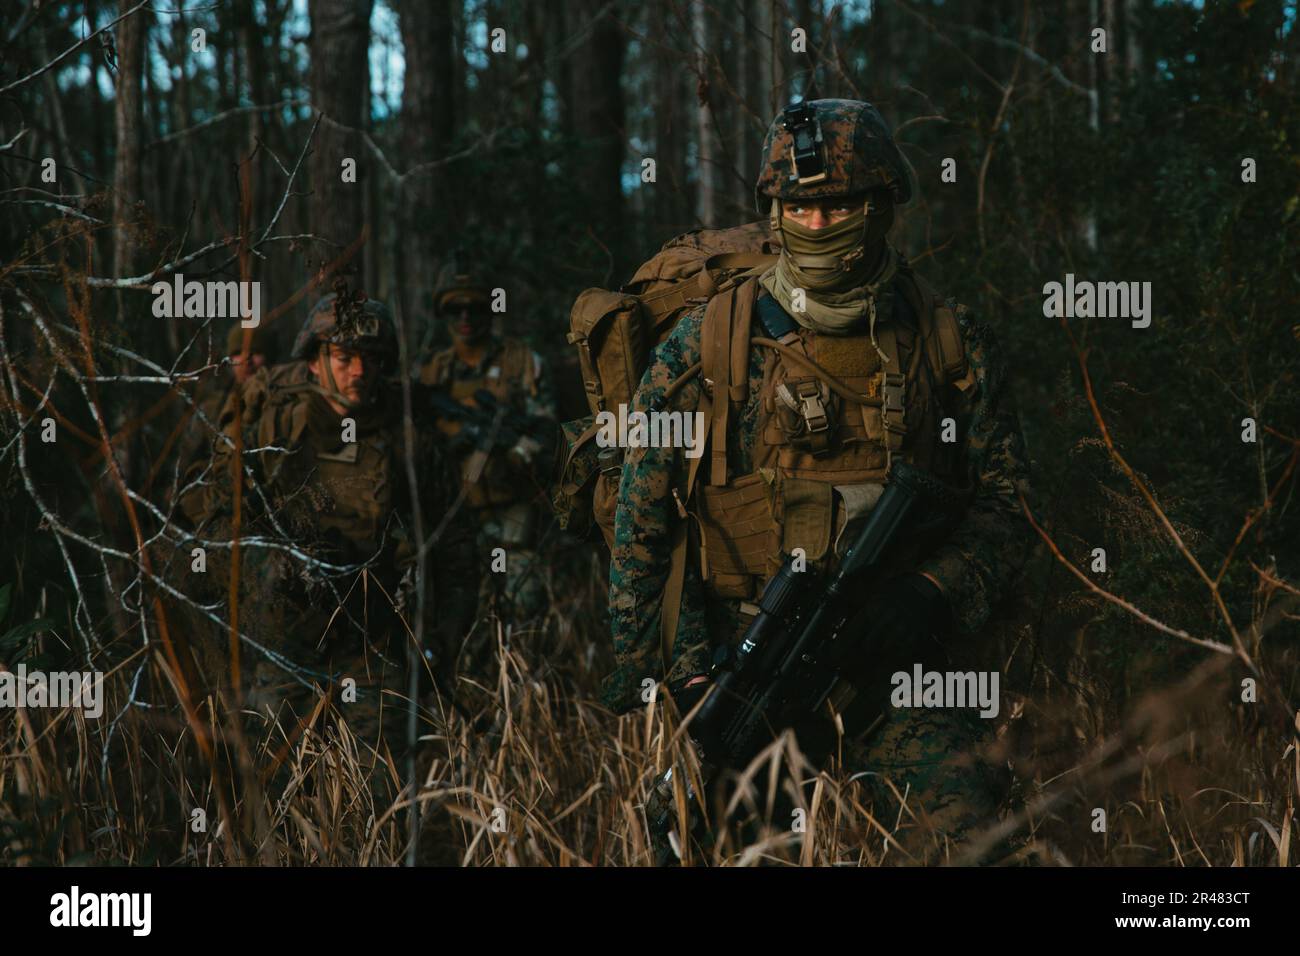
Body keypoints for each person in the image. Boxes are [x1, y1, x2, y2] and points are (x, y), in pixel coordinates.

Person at [604, 99, 1035, 861]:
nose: (814, 224)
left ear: (881, 204)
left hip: (902, 666)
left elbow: (1011, 503)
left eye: (836, 204)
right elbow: (642, 527)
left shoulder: (948, 337)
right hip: (748, 664)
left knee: (974, 844)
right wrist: (687, 681)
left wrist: (930, 591)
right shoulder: (704, 341)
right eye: (797, 206)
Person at [187, 285, 478, 795]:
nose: (358, 372)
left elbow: (454, 549)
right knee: (274, 793)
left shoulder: (407, 439)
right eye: (344, 358)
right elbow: (207, 516)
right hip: (282, 640)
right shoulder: (273, 423)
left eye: (370, 360)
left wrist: (437, 647)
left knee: (380, 793)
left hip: (371, 641)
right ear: (316, 362)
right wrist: (268, 569)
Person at [419, 270, 557, 625]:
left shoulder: (522, 361)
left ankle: (517, 673)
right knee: (458, 611)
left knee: (523, 606)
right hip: (454, 511)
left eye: (475, 308)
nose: (465, 318)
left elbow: (547, 431)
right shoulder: (433, 371)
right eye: (456, 310)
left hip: (513, 509)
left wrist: (516, 449)